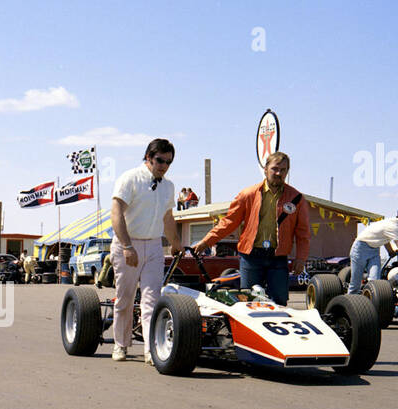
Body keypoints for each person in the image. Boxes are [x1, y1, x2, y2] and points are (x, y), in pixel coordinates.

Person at [194, 150, 310, 307]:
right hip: (251, 258)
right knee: (248, 303)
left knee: (280, 303)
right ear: (265, 169)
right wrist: (206, 242)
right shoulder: (247, 194)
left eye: (283, 170)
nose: (278, 173)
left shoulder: (297, 198)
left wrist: (301, 258)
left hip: (278, 259)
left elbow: (303, 233)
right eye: (275, 168)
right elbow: (228, 222)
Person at [108, 139, 181, 362]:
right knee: (125, 299)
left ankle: (152, 349)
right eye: (160, 160)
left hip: (154, 246)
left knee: (152, 300)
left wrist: (176, 243)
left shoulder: (168, 186)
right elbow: (116, 213)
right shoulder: (130, 178)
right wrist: (127, 246)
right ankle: (121, 344)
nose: (164, 166)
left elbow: (167, 218)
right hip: (128, 244)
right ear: (148, 157)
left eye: (168, 162)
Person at [347, 204, 398, 293]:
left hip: (374, 250)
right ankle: (350, 302)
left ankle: (370, 302)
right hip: (361, 248)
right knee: (355, 283)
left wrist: (390, 251)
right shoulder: (394, 226)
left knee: (375, 281)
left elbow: (386, 238)